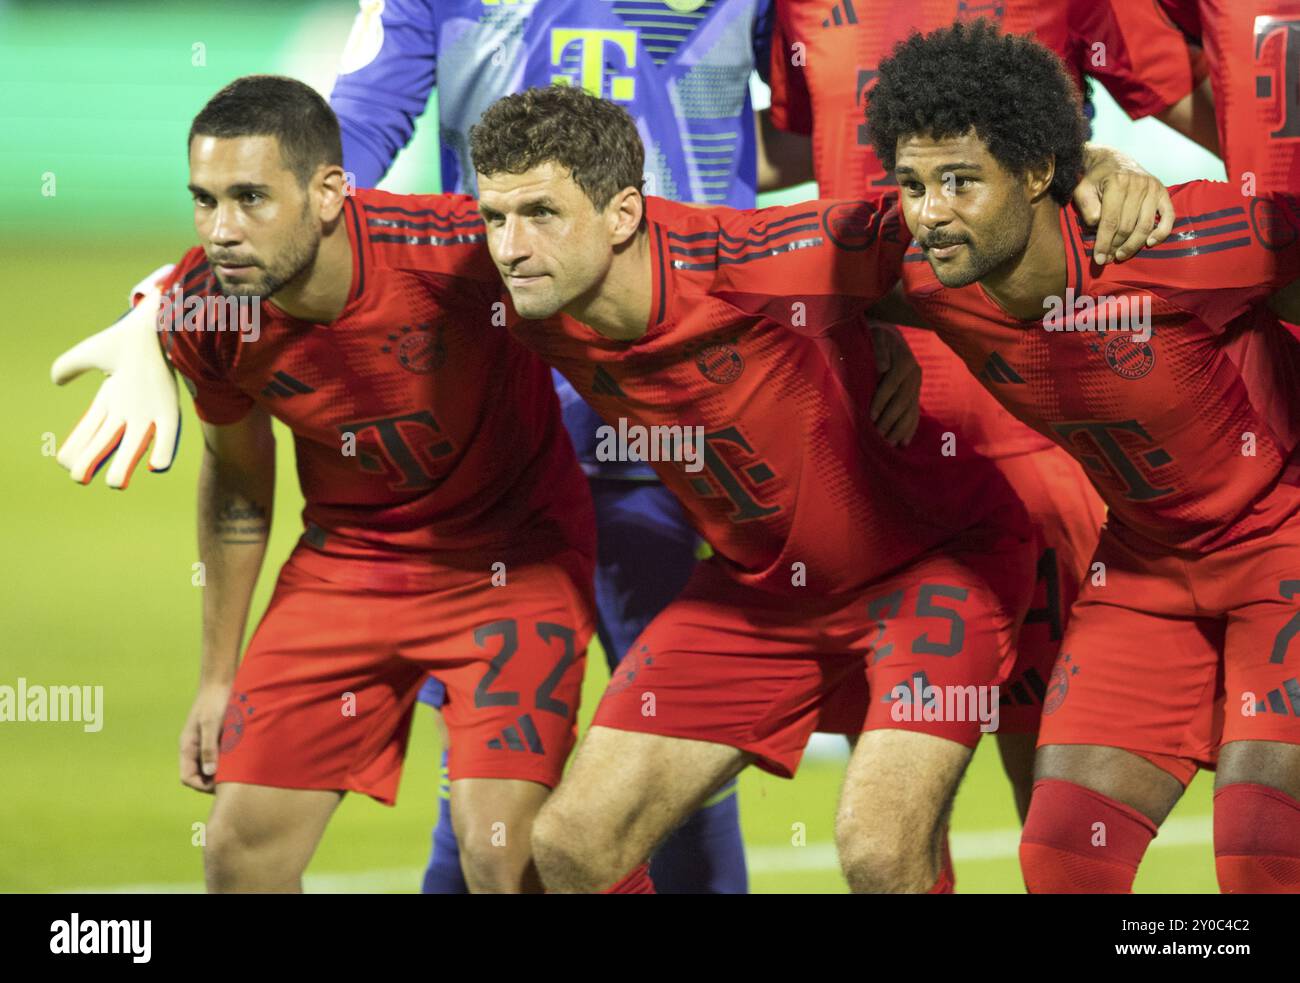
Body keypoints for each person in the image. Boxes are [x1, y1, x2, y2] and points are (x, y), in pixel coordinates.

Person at [463, 82, 1170, 892]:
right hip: (758, 592)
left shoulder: (762, 258)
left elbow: (962, 215)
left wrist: (1100, 165)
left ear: (623, 214)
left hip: (932, 567)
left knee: (877, 850)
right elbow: (366, 246)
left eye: (540, 214)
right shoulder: (521, 287)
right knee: (572, 845)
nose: (511, 245)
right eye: (493, 218)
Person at [127, 74, 598, 893]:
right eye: (203, 201)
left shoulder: (465, 253)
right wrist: (217, 675)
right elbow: (238, 478)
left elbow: (631, 280)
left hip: (511, 564)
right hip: (348, 568)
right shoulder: (209, 312)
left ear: (329, 192)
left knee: (498, 850)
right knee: (238, 854)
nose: (222, 231)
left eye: (250, 198)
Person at [867, 20, 1300, 892]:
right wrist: (869, 339)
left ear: (1034, 172)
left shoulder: (1180, 240)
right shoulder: (921, 272)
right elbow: (735, 267)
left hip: (1285, 542)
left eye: (959, 181)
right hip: (1145, 565)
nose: (929, 211)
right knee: (1063, 860)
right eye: (912, 184)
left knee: (1265, 852)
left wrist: (1102, 166)